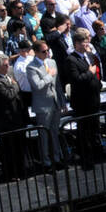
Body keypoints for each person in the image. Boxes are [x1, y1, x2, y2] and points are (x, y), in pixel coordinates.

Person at [66, 28, 103, 168]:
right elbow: (76, 80)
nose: (86, 44)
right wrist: (89, 72)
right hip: (82, 101)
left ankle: (97, 152)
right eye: (83, 42)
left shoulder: (90, 55)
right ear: (76, 43)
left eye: (87, 41)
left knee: (95, 128)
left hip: (94, 98)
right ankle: (86, 157)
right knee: (84, 131)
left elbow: (96, 73)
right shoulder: (71, 60)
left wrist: (97, 84)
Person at [27, 40, 66, 169]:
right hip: (43, 106)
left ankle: (57, 158)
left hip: (55, 103)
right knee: (44, 134)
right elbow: (37, 85)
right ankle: (46, 161)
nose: (47, 53)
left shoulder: (52, 62)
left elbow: (58, 84)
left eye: (48, 50)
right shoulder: (31, 67)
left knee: (55, 132)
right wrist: (49, 75)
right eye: (44, 51)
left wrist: (62, 101)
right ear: (36, 53)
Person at [0, 53, 28, 179]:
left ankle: (22, 170)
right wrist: (15, 85)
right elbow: (8, 95)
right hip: (6, 121)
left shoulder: (8, 76)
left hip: (17, 117)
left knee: (19, 147)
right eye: (5, 65)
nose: (8, 66)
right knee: (9, 149)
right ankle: (12, 173)